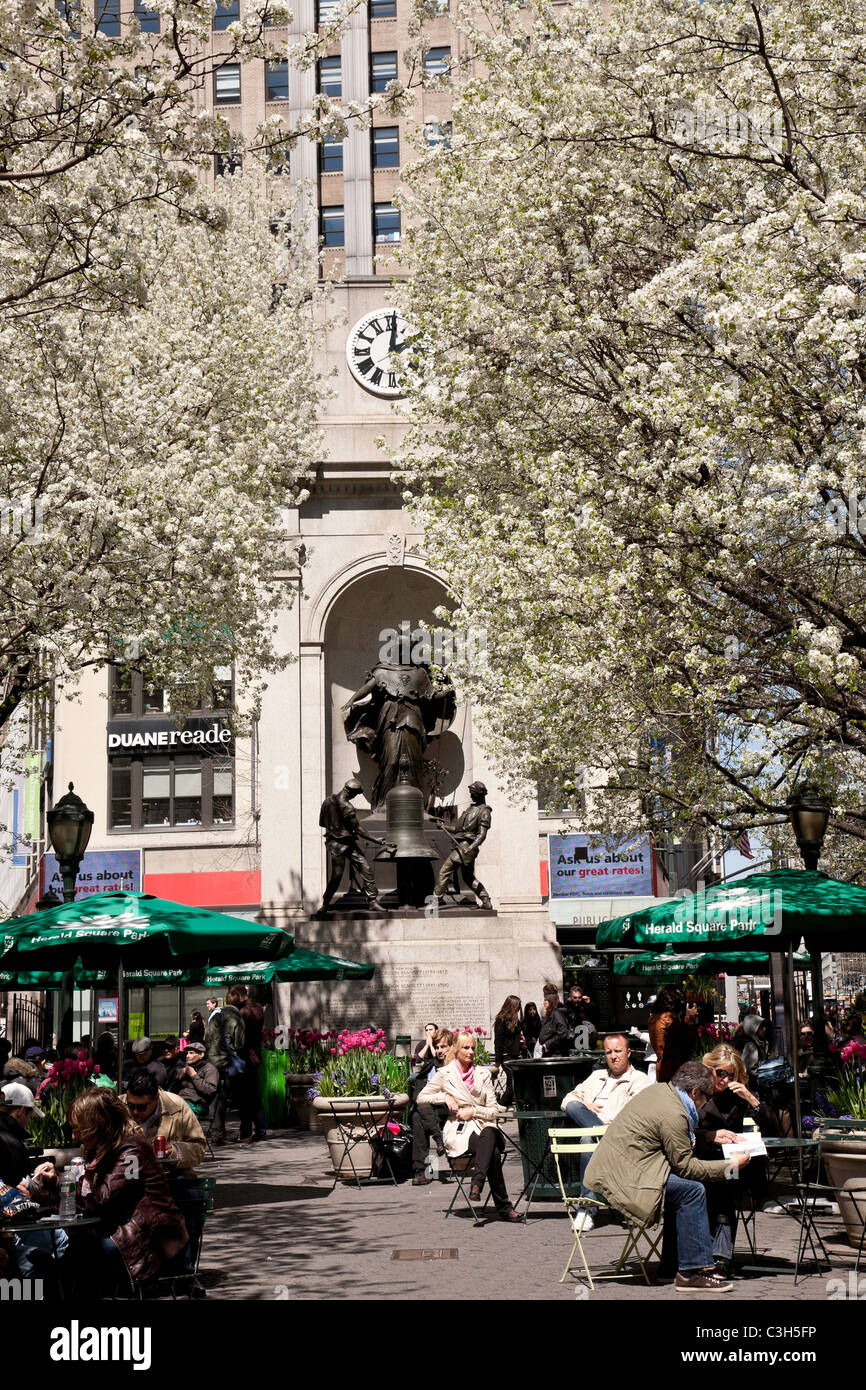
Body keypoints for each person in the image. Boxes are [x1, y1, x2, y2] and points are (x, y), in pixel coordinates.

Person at [584, 1061, 751, 1293]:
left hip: (621, 1170)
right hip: (625, 1180)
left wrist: (709, 1136)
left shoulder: (661, 1091)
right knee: (692, 1190)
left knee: (681, 1189)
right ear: (694, 1092)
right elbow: (687, 1167)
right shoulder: (675, 1113)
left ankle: (670, 1267)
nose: (707, 1102)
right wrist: (730, 1167)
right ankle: (692, 1273)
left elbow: (670, 1137)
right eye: (706, 1097)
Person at [67, 1087, 188, 1295]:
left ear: (100, 1126)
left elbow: (102, 1198)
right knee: (71, 1253)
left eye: (80, 1129)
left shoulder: (132, 1150)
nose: (74, 1135)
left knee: (82, 1256)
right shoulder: (106, 1150)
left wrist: (85, 1173)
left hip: (149, 1239)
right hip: (122, 1230)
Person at [416, 1030, 521, 1220]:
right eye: (466, 1047)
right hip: (461, 1130)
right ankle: (504, 1207)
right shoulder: (445, 1074)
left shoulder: (483, 1074)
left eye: (473, 1047)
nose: (471, 1051)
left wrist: (473, 1111)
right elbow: (421, 1098)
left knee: (489, 1132)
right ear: (456, 1050)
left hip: (485, 1124)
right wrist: (445, 1097)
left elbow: (493, 1110)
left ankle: (477, 1181)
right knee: (493, 1153)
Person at [696, 1044, 782, 1274]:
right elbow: (683, 1131)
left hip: (730, 1164)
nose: (725, 1080)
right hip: (699, 1159)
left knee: (727, 1182)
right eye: (720, 1073)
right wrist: (711, 1136)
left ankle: (720, 1257)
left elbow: (774, 1128)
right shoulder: (697, 1092)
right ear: (710, 1069)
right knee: (721, 1184)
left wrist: (750, 1097)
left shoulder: (736, 1097)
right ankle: (714, 1255)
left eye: (731, 1075)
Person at [559, 1032, 653, 1227]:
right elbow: (567, 1099)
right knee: (576, 1108)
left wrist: (602, 1122)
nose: (613, 1056)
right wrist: (585, 1103)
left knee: (587, 1139)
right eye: (609, 1052)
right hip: (600, 1135)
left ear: (628, 1052)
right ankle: (599, 1134)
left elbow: (634, 1114)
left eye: (618, 1051)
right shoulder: (597, 1076)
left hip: (621, 1138)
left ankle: (586, 1209)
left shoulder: (639, 1079)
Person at [315, 777, 390, 914]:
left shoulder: (327, 801)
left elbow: (322, 823)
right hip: (342, 844)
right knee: (353, 872)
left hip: (338, 843)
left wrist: (336, 827)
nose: (355, 797)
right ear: (350, 792)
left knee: (355, 871)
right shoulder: (347, 807)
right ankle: (326, 904)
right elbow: (358, 830)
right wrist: (377, 840)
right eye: (355, 795)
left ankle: (372, 902)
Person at [123, 1069, 206, 1175]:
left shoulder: (177, 1107)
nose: (135, 1112)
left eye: (141, 1107)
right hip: (128, 1177)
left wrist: (174, 1151)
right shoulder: (117, 1107)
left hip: (169, 1177)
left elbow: (198, 1148)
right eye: (130, 1106)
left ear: (156, 1098)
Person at [432, 781, 493, 910]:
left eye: (473, 794)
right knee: (468, 877)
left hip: (466, 847)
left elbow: (481, 835)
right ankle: (486, 900)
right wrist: (443, 826)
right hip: (462, 847)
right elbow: (458, 829)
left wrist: (470, 848)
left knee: (444, 871)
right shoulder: (471, 809)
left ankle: (436, 900)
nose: (471, 796)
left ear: (479, 794)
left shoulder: (484, 811)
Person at [410, 1028, 453, 1185]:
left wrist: (434, 1097)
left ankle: (422, 1172)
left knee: (420, 1112)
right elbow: (418, 1092)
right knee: (417, 1115)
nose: (440, 1050)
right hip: (429, 1110)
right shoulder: (430, 1065)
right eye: (437, 1047)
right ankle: (422, 1171)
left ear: (451, 1047)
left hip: (446, 1108)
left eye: (443, 1046)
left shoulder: (453, 1066)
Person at [205, 992, 245, 1144]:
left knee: (216, 1096)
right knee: (226, 1097)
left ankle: (217, 1132)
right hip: (227, 1062)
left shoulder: (215, 1016)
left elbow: (207, 1039)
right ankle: (220, 1135)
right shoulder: (237, 1018)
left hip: (212, 1060)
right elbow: (240, 1043)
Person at [232, 984, 267, 1143]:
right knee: (254, 1094)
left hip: (244, 1056)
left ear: (239, 994)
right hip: (256, 1055)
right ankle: (261, 1129)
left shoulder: (242, 1012)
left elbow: (239, 1039)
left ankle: (245, 1132)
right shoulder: (259, 1007)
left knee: (244, 1097)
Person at [648, 987, 698, 1083]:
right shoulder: (668, 1019)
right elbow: (686, 1041)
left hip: (663, 1065)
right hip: (673, 1067)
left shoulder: (654, 1017)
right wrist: (690, 1017)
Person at [168, 1040, 219, 1117]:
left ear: (201, 1055)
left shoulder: (209, 1069)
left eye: (191, 1053)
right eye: (187, 1053)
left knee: (176, 1113)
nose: (187, 1056)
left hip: (198, 1105)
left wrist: (194, 1076)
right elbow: (172, 1091)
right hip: (180, 1101)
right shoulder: (185, 1068)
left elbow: (210, 1090)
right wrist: (178, 1079)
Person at [493, 995, 523, 1106]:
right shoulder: (501, 1020)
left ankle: (506, 1104)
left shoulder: (516, 1021)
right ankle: (501, 1105)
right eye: (517, 1007)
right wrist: (498, 1059)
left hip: (515, 1056)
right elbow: (498, 1041)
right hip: (506, 1056)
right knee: (513, 1083)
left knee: (514, 1082)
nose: (519, 1009)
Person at [537, 983, 571, 1057]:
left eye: (545, 1000)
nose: (544, 1003)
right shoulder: (552, 1013)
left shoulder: (557, 1013)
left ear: (551, 1000)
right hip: (550, 1053)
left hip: (555, 1055)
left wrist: (548, 1044)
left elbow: (563, 1033)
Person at [739, 1014, 770, 1085]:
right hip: (754, 1086)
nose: (764, 1029)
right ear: (752, 1029)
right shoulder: (751, 1046)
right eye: (760, 1028)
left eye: (764, 1026)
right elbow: (751, 1070)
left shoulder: (761, 1042)